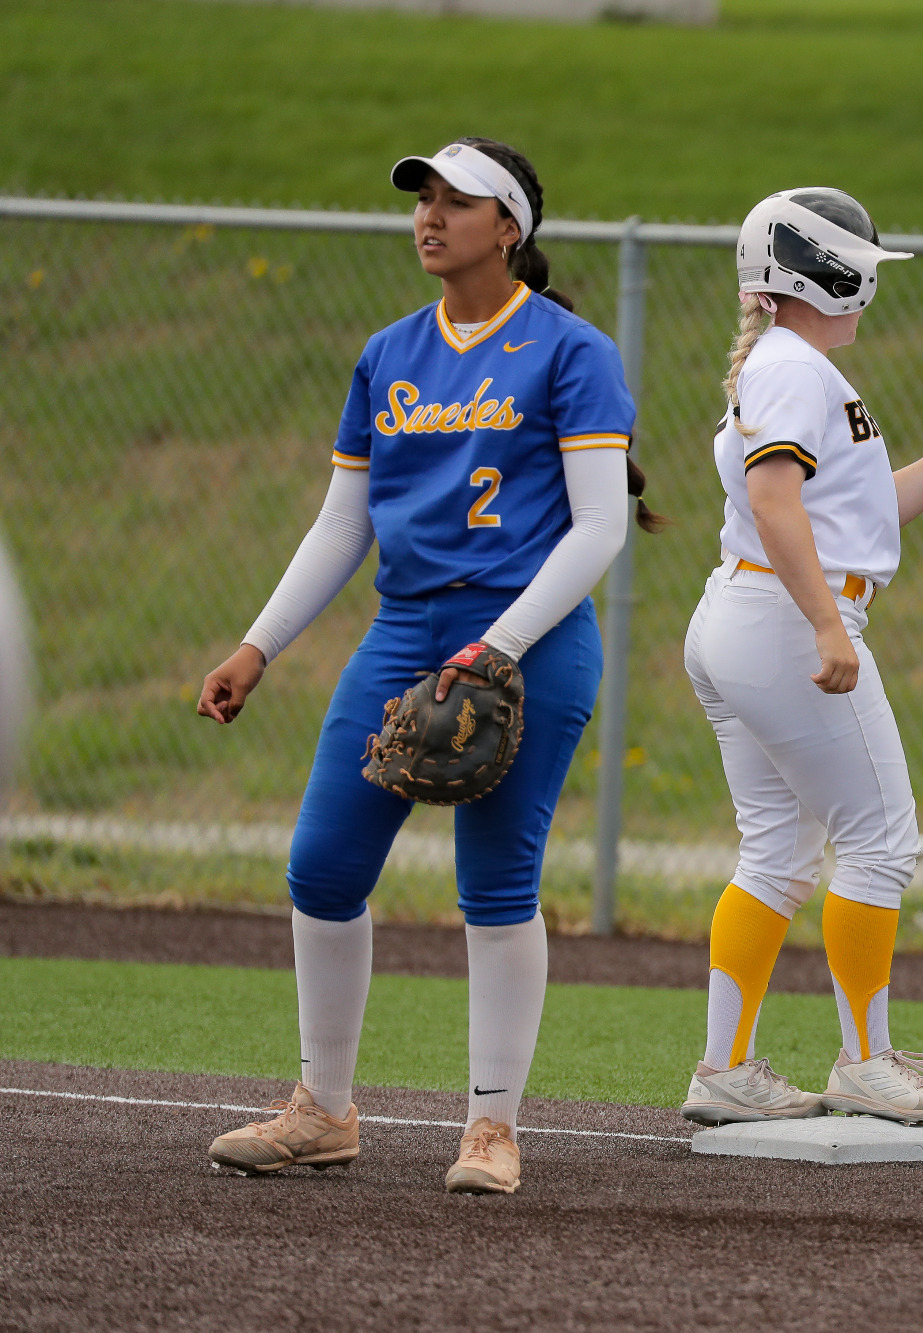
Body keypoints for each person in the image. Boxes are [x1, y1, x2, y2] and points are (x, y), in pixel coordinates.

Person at [196, 137, 657, 1194]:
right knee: (321, 866)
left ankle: (491, 1128)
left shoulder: (570, 349)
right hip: (404, 633)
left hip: (525, 639)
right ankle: (322, 1109)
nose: (430, 215)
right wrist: (259, 643)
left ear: (511, 229)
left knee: (495, 882)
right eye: (423, 198)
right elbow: (341, 525)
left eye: (459, 200)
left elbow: (597, 530)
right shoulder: (389, 352)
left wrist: (495, 648)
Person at [677, 188, 923, 1128]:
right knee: (879, 839)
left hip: (743, 612)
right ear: (823, 271)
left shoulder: (788, 365)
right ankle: (865, 1063)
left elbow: (852, 518)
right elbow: (779, 504)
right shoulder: (795, 369)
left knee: (777, 850)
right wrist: (827, 624)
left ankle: (726, 1069)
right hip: (783, 617)